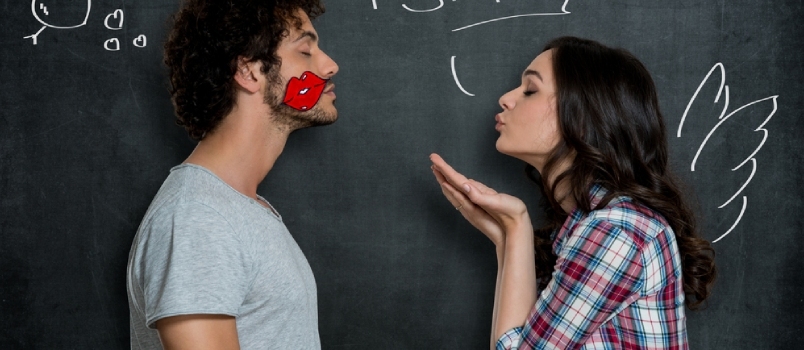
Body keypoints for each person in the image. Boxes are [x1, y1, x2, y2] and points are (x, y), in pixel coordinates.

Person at [430, 36, 717, 350]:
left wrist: (516, 226)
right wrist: (506, 237)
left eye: (530, 90)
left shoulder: (616, 230)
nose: (505, 99)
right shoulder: (584, 226)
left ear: (580, 119)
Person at [126, 0, 338, 349]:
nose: (329, 65)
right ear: (249, 72)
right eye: (305, 51)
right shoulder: (198, 218)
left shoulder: (238, 208)